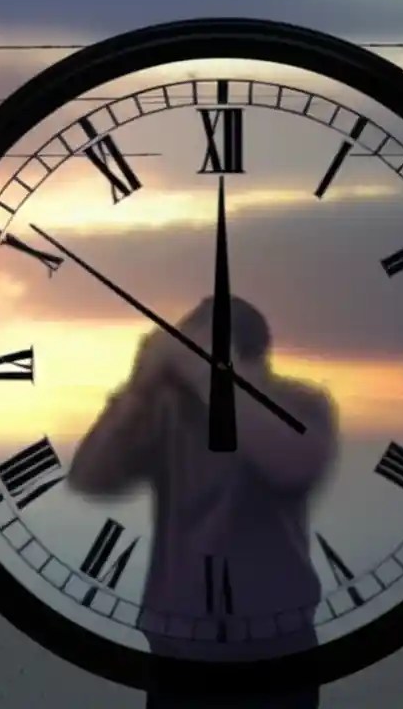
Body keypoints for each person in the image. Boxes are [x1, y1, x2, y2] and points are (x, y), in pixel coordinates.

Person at [69, 296, 338, 709]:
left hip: (276, 645)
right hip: (180, 646)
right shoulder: (165, 412)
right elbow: (90, 474)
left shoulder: (297, 403)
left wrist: (204, 373)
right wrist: (138, 389)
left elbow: (293, 466)